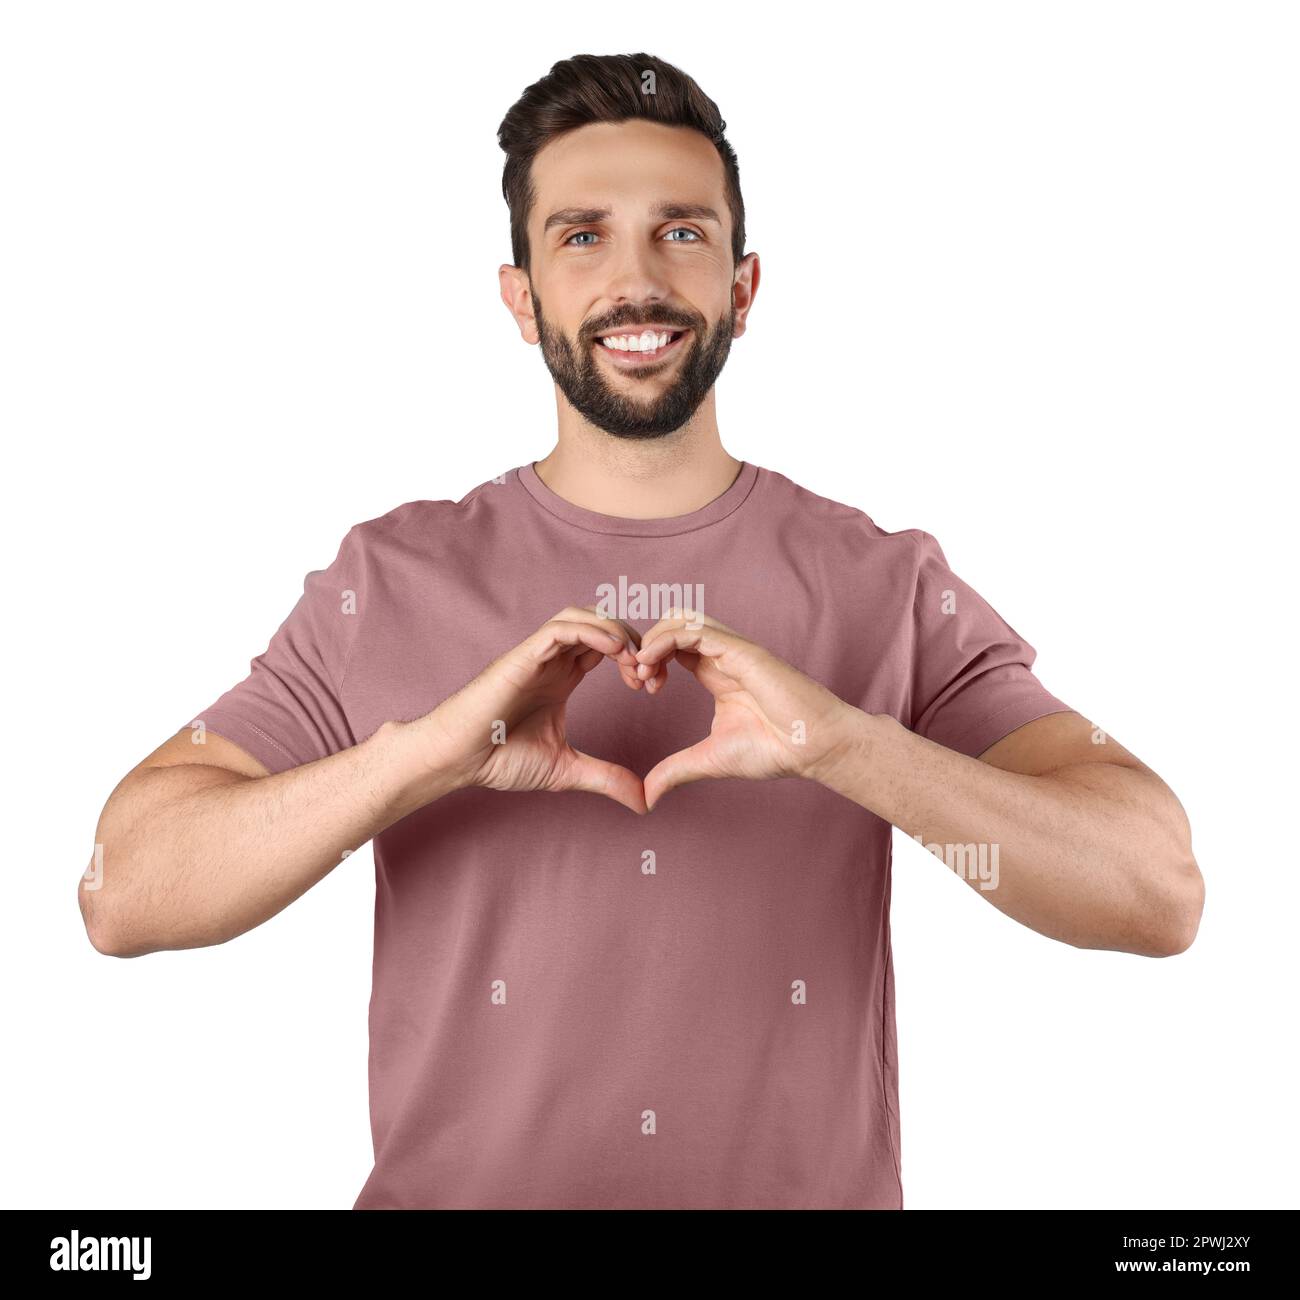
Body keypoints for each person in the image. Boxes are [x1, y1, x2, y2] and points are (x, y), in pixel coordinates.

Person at [79, 52, 1203, 1210]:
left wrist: (845, 744)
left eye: (679, 233)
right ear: (520, 298)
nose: (635, 280)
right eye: (580, 237)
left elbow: (1155, 887)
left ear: (744, 286)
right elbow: (125, 892)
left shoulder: (882, 582)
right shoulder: (389, 578)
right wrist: (418, 757)